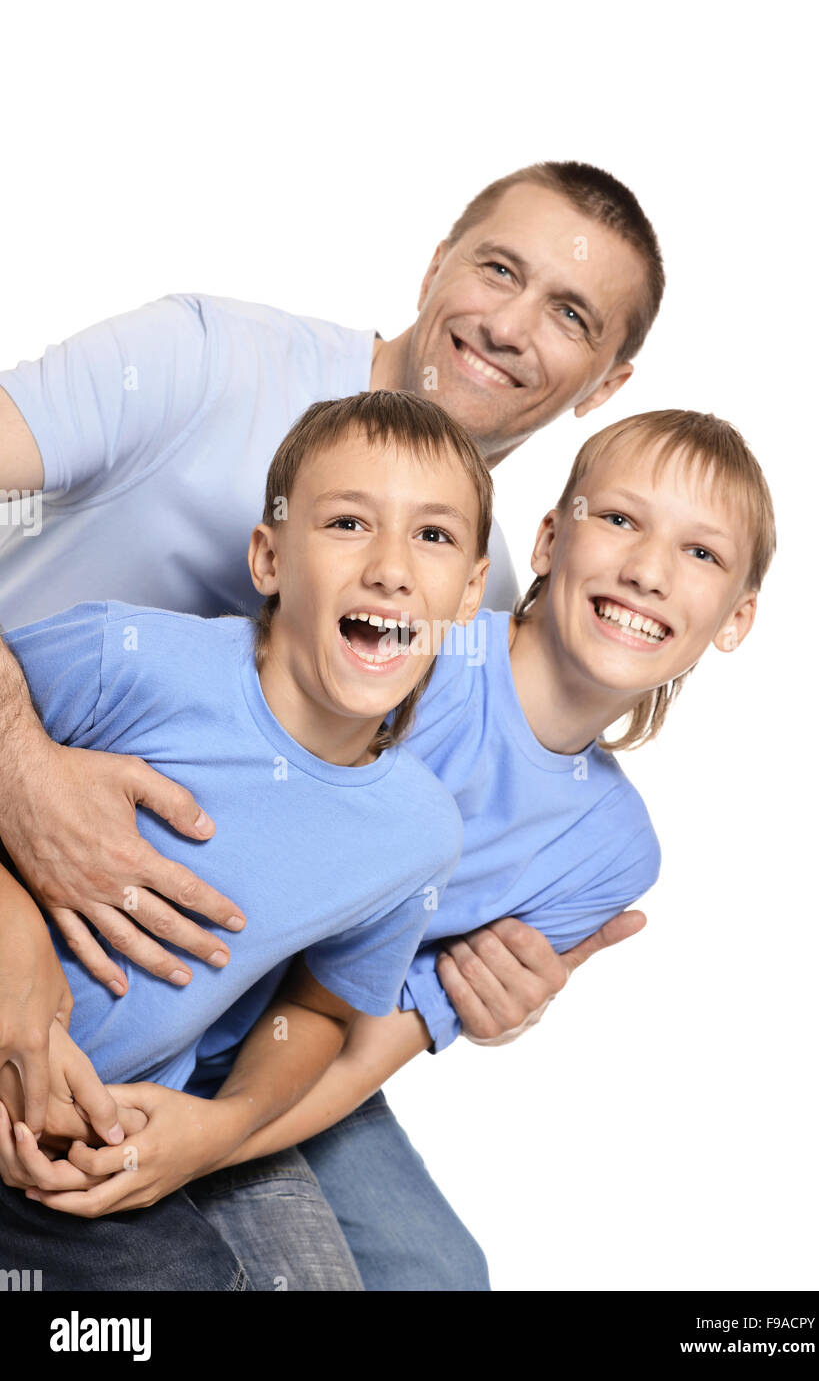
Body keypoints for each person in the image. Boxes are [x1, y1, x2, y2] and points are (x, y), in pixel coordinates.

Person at [0, 159, 664, 1289]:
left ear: (602, 380)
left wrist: (485, 966)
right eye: (498, 268)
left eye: (568, 314)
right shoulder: (206, 358)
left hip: (203, 995)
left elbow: (365, 875)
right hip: (22, 840)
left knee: (428, 1274)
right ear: (433, 267)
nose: (509, 326)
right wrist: (17, 766)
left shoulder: (478, 611)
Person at [0, 409, 776, 1297]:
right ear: (552, 538)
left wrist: (206, 1142)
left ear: (736, 616)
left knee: (439, 1277)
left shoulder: (591, 850)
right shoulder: (397, 647)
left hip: (260, 1056)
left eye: (702, 553)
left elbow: (348, 1023)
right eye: (621, 520)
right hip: (114, 1015)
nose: (647, 571)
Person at [0, 389, 493, 1290]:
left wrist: (216, 1129)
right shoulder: (132, 660)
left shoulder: (416, 833)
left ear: (468, 595)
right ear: (269, 556)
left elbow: (318, 1011)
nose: (389, 568)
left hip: (81, 1150)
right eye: (348, 521)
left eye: (432, 536)